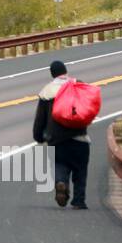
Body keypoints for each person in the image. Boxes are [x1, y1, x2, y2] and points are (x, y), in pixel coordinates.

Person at [32, 59, 90, 209]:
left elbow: (40, 119)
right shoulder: (77, 85)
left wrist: (38, 136)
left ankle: (61, 182)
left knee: (59, 164)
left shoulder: (47, 92)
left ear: (52, 74)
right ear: (65, 71)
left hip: (57, 140)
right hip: (80, 137)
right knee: (80, 170)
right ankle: (79, 201)